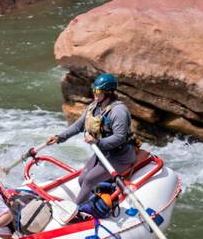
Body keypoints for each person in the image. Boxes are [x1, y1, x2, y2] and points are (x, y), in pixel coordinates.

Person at [43, 73, 138, 210]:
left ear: (108, 92)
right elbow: (78, 126)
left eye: (98, 91)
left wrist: (97, 142)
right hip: (103, 153)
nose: (95, 93)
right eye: (94, 90)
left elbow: (119, 137)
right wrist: (59, 137)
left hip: (120, 156)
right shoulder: (94, 107)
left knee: (88, 180)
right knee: (82, 180)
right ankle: (99, 198)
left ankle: (74, 211)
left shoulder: (118, 112)